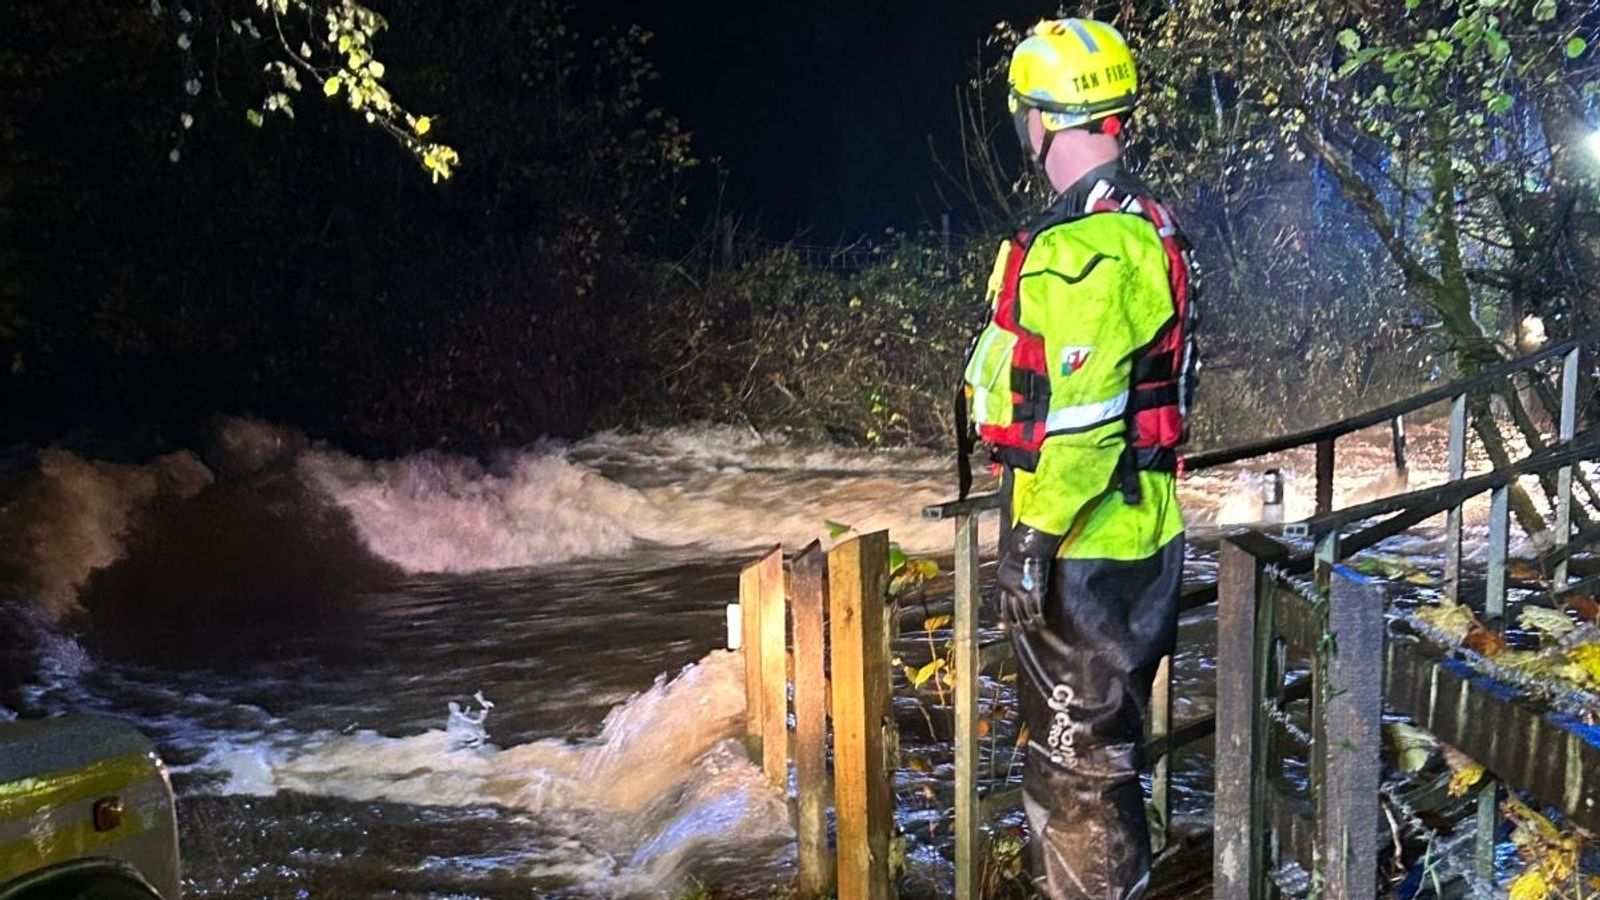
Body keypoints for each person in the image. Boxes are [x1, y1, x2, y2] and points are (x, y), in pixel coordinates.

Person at [959, 17, 1198, 899]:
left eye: (1025, 113)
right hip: (1125, 538)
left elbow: (1089, 423)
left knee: (1077, 773)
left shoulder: (1086, 247)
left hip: (1091, 553)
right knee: (1085, 766)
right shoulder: (1137, 223)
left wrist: (1032, 538)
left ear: (1043, 121)